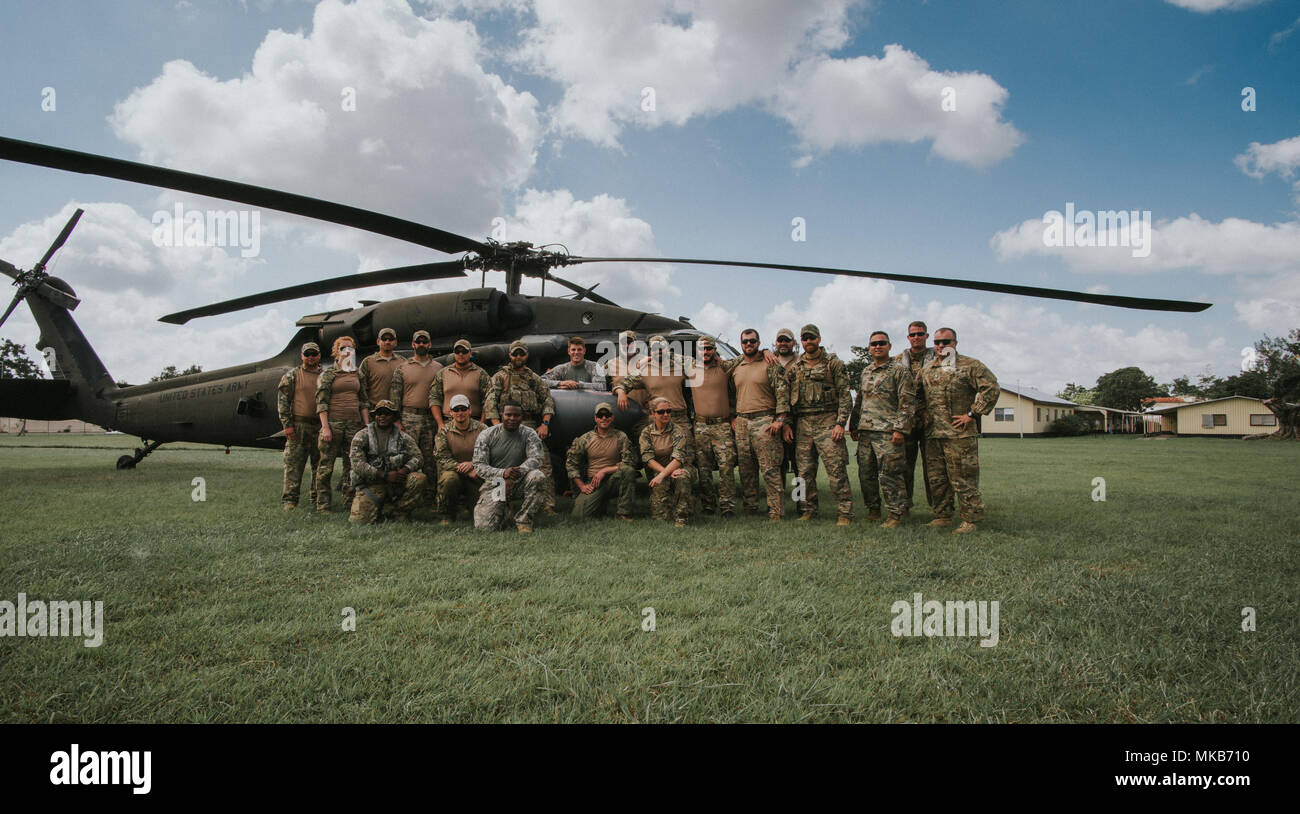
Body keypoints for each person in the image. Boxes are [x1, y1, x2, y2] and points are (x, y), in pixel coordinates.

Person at [919, 328, 1000, 534]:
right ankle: (943, 515)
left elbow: (991, 388)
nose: (940, 345)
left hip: (959, 434)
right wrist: (923, 413)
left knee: (964, 477)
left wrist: (972, 414)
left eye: (946, 341)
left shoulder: (971, 365)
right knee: (937, 479)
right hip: (934, 435)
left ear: (955, 343)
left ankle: (970, 519)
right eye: (937, 342)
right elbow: (917, 395)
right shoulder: (927, 369)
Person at [848, 331, 918, 527]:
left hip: (888, 432)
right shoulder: (866, 371)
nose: (877, 347)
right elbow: (860, 400)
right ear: (869, 348)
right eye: (874, 344)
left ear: (889, 346)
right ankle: (874, 510)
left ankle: (895, 514)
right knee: (866, 474)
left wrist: (900, 429)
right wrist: (854, 424)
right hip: (866, 432)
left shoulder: (899, 371)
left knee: (890, 474)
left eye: (882, 343)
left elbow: (907, 402)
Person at [787, 323, 853, 525]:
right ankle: (807, 510)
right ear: (801, 342)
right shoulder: (795, 367)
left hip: (828, 421)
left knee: (836, 470)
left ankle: (844, 512)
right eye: (805, 338)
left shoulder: (833, 363)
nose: (809, 342)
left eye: (812, 338)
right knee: (803, 472)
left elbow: (845, 395)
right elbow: (786, 398)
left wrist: (841, 423)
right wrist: (788, 424)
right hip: (803, 424)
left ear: (819, 339)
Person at [484, 340, 557, 513]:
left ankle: (547, 506)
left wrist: (545, 424)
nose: (518, 357)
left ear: (526, 355)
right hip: (506, 427)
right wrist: (497, 427)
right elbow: (490, 403)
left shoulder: (535, 379)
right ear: (510, 355)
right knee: (502, 467)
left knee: (543, 464)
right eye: (515, 353)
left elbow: (547, 401)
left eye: (521, 353)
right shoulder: (500, 377)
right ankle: (500, 506)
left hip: (530, 426)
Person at [728, 328, 791, 521]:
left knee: (770, 469)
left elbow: (782, 393)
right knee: (746, 469)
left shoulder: (770, 363)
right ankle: (750, 506)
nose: (749, 344)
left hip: (765, 420)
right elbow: (730, 394)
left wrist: (780, 420)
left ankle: (776, 511)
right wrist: (732, 416)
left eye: (753, 341)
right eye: (745, 342)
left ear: (758, 342)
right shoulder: (736, 367)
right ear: (741, 344)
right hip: (742, 422)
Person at [472, 401, 549, 533]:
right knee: (485, 528)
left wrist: (515, 474)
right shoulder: (487, 434)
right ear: (502, 415)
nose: (512, 418)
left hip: (520, 481)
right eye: (508, 415)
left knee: (538, 476)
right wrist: (503, 474)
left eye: (516, 415)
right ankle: (505, 511)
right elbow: (479, 465)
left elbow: (536, 458)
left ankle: (524, 520)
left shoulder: (529, 434)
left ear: (522, 416)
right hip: (496, 483)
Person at [616, 334, 696, 461]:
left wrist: (664, 354)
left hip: (679, 419)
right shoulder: (644, 370)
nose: (658, 351)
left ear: (667, 349)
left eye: (661, 348)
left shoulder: (679, 366)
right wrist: (620, 392)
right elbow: (623, 384)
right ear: (650, 351)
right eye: (655, 349)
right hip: (656, 420)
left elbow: (692, 362)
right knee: (656, 456)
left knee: (686, 456)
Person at [347, 400, 427, 524]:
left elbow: (418, 457)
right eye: (379, 414)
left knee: (419, 478)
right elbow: (357, 464)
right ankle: (382, 508)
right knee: (358, 522)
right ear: (374, 416)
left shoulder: (403, 437)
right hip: (372, 484)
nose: (382, 416)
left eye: (387, 413)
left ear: (394, 417)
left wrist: (404, 470)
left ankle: (399, 512)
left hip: (396, 482)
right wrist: (384, 475)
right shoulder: (362, 436)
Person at [389, 329, 442, 506]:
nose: (421, 344)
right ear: (413, 345)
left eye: (424, 342)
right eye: (418, 342)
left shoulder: (438, 368)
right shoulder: (402, 368)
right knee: (405, 458)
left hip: (430, 419)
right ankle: (403, 496)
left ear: (429, 344)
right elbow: (395, 397)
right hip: (408, 417)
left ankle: (429, 498)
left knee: (430, 459)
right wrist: (396, 421)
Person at [314, 336, 366, 513]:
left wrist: (366, 426)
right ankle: (323, 504)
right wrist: (326, 427)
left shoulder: (358, 374)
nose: (347, 351)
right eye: (343, 348)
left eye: (350, 348)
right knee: (325, 466)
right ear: (336, 352)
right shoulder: (328, 374)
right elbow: (321, 403)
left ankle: (349, 501)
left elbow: (363, 402)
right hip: (333, 423)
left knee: (351, 466)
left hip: (353, 424)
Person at [566, 402, 638, 521]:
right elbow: (571, 464)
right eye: (600, 415)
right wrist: (582, 486)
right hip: (594, 483)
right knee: (579, 516)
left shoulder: (621, 437)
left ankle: (624, 514)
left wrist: (605, 470)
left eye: (607, 415)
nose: (604, 418)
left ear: (612, 417)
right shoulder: (585, 439)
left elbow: (629, 462)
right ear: (595, 418)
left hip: (614, 479)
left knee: (628, 471)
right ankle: (600, 503)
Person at [691, 336, 737, 516]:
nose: (706, 352)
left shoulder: (725, 367)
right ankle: (708, 504)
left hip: (722, 426)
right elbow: (668, 358)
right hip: (701, 426)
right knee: (704, 469)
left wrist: (765, 352)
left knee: (726, 467)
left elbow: (746, 358)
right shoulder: (691, 367)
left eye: (709, 348)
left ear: (714, 349)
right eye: (702, 349)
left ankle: (727, 506)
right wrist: (646, 359)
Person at [895, 320, 937, 517]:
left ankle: (940, 510)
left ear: (926, 336)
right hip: (906, 423)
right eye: (913, 334)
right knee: (903, 467)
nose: (916, 337)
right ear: (908, 337)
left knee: (935, 470)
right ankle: (903, 507)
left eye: (920, 334)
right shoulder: (896, 362)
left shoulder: (939, 359)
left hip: (932, 422)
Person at [277, 341, 323, 510]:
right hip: (299, 426)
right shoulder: (292, 376)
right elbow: (283, 402)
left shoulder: (325, 375)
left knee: (320, 465)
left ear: (319, 356)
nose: (310, 357)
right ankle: (290, 500)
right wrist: (287, 425)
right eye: (307, 354)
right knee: (294, 465)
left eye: (314, 354)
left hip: (319, 426)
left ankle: (317, 498)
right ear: (302, 356)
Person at [640, 397, 693, 527]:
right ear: (653, 414)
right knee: (660, 517)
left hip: (679, 468)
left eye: (668, 411)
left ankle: (681, 517)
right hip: (661, 472)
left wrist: (663, 475)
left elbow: (678, 458)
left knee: (682, 476)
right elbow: (648, 459)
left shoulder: (678, 430)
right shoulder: (646, 433)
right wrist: (664, 473)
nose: (665, 414)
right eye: (661, 412)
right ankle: (679, 501)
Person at [434, 394, 487, 525]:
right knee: (448, 479)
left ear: (470, 410)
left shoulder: (483, 429)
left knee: (482, 515)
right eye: (456, 409)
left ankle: (475, 508)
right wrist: (464, 469)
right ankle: (447, 515)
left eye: (463, 409)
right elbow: (442, 457)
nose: (460, 413)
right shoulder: (443, 432)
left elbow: (491, 454)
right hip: (455, 473)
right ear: (451, 412)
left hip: (477, 474)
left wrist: (474, 464)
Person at [430, 338, 491, 430]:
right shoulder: (443, 373)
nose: (460, 354)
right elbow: (434, 398)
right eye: (457, 351)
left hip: (474, 424)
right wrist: (440, 423)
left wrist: (482, 424)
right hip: (448, 423)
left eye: (464, 351)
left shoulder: (481, 374)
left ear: (470, 353)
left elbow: (488, 401)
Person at [606, 330, 652, 453]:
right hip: (620, 416)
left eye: (629, 342)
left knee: (647, 451)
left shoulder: (647, 362)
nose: (626, 346)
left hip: (644, 416)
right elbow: (601, 387)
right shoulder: (610, 364)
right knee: (620, 453)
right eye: (623, 343)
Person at [356, 327, 406, 416]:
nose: (387, 342)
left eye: (391, 339)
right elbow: (362, 389)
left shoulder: (403, 362)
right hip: (375, 412)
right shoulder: (368, 362)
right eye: (384, 339)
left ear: (395, 342)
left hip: (396, 412)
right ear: (378, 342)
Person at [773, 327, 799, 488]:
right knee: (778, 464)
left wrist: (787, 422)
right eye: (780, 340)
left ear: (793, 343)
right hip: (775, 421)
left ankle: (802, 503)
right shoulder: (769, 362)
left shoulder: (801, 362)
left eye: (787, 340)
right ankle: (779, 501)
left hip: (798, 421)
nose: (783, 343)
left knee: (801, 465)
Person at [543, 336, 608, 391]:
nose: (576, 352)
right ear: (569, 351)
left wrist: (578, 385)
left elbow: (602, 386)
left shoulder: (595, 366)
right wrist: (561, 383)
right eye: (573, 350)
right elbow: (542, 381)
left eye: (579, 349)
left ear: (584, 351)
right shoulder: (562, 368)